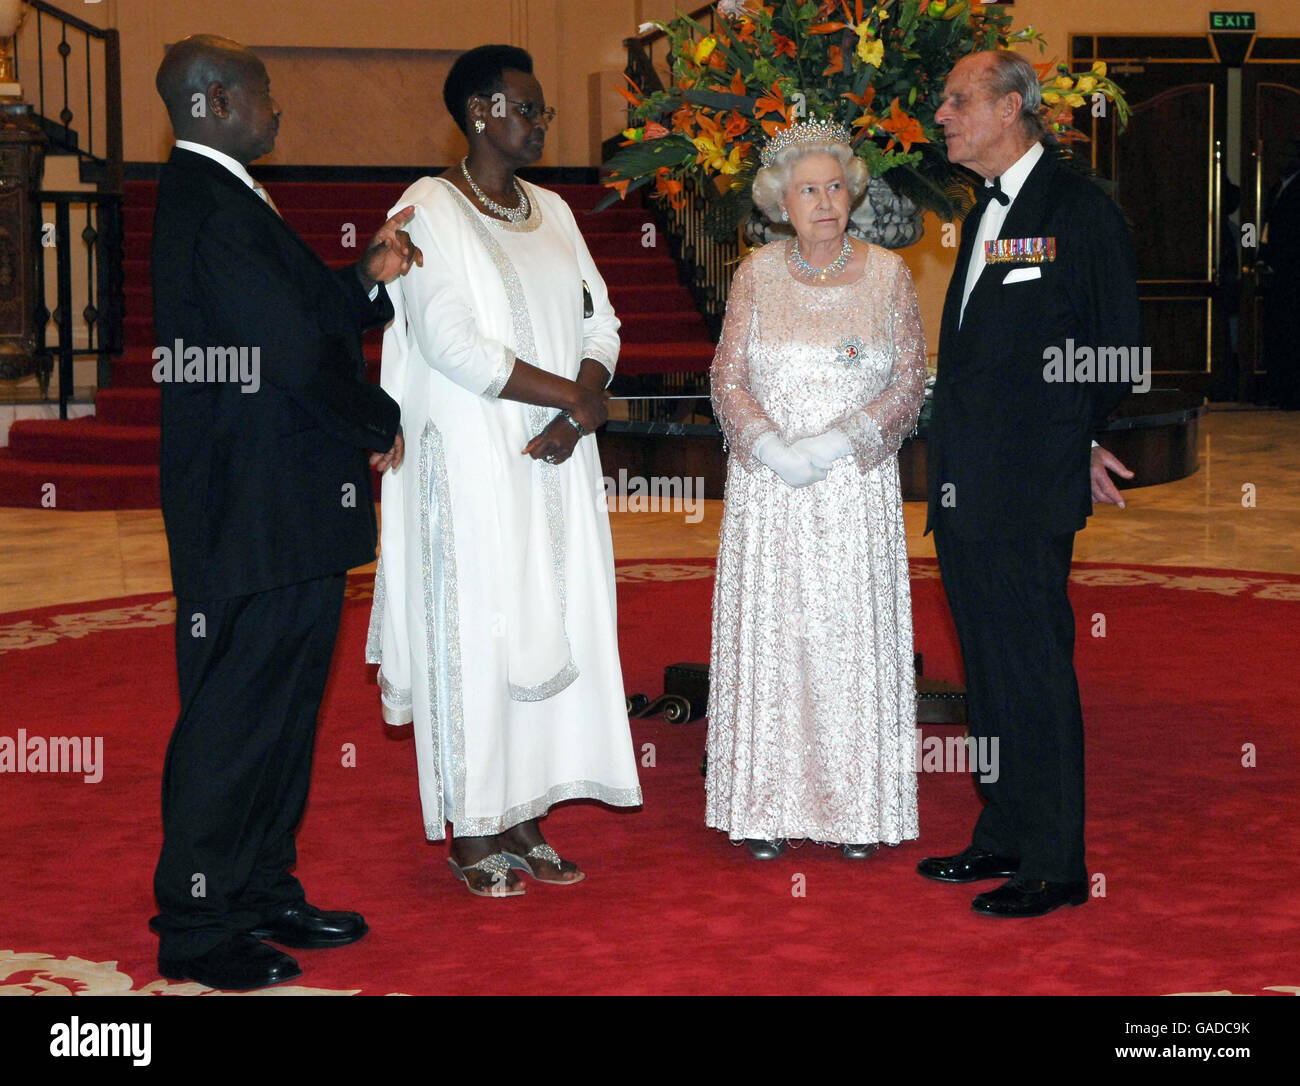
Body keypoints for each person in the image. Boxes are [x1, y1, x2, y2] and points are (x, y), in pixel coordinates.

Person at [150, 34, 419, 989]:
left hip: (282, 504)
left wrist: (367, 279)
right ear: (216, 99)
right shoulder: (208, 204)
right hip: (249, 508)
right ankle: (196, 924)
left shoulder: (228, 196)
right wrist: (377, 418)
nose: (279, 110)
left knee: (285, 711)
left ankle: (261, 888)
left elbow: (299, 316)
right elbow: (285, 356)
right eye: (264, 93)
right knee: (235, 716)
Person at [367, 45, 642, 897]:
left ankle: (526, 817)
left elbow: (604, 319)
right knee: (478, 630)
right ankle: (474, 827)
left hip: (555, 460)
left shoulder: (556, 212)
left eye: (543, 110)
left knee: (552, 621)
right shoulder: (426, 210)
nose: (540, 122)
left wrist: (580, 404)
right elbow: (451, 344)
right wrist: (577, 402)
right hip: (473, 464)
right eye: (528, 108)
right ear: (481, 111)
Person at [918, 49, 1139, 917]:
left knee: (1034, 672)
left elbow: (1117, 346)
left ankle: (1054, 862)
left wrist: (1077, 435)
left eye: (957, 100)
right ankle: (1005, 830)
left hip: (1028, 485)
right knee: (993, 670)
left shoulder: (1079, 209)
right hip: (968, 485)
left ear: (1012, 107)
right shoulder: (984, 213)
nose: (942, 115)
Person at [705, 120, 925, 860]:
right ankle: (765, 807)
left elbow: (909, 379)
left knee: (847, 641)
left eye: (835, 186)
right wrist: (767, 443)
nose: (824, 201)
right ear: (780, 201)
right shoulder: (755, 275)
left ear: (853, 192)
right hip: (771, 490)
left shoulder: (890, 275)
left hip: (852, 487)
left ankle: (856, 810)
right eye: (807, 189)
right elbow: (726, 376)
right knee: (777, 638)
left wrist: (844, 439)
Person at [1261, 137, 1300, 409]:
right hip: (1277, 278)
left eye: (1288, 153)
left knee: (1291, 335)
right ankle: (1278, 391)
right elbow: (1259, 227)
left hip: (1293, 277)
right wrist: (1256, 253)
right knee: (1278, 335)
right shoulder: (1275, 188)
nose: (1281, 159)